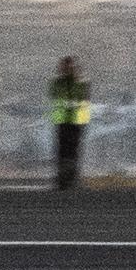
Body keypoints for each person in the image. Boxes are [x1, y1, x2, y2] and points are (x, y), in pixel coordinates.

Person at [47, 55, 93, 191]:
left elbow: (83, 98)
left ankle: (71, 179)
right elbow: (56, 96)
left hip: (76, 121)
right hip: (63, 120)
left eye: (68, 67)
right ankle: (63, 180)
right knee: (63, 150)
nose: (66, 69)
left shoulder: (81, 82)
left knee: (73, 150)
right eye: (64, 67)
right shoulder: (58, 82)